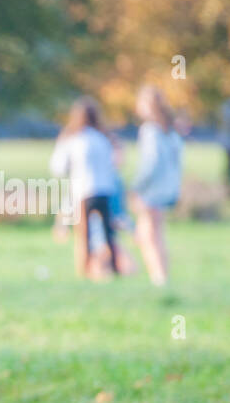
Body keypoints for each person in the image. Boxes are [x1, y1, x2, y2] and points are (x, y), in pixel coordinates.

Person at [50, 97, 122, 278]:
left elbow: (58, 168)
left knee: (83, 235)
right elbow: (113, 164)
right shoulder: (103, 138)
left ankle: (84, 271)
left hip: (83, 191)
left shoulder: (73, 139)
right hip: (105, 190)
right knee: (108, 234)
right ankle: (113, 269)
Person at [130, 86, 183, 286]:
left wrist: (137, 186)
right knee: (154, 233)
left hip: (152, 189)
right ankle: (160, 275)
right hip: (167, 188)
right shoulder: (170, 130)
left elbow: (150, 164)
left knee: (148, 235)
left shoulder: (150, 130)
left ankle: (158, 277)